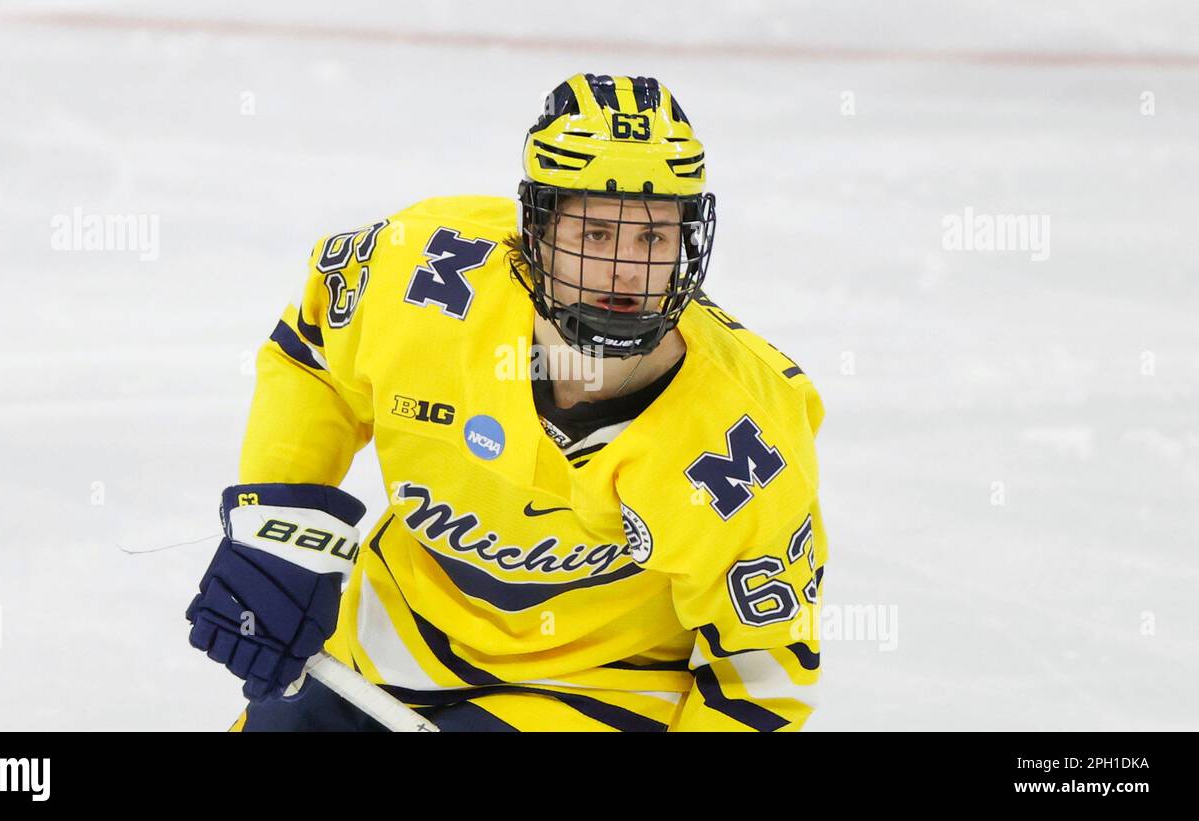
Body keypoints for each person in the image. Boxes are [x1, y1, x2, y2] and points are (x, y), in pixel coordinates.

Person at [186, 73, 828, 731]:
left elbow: (759, 678)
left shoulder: (745, 440)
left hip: (597, 694)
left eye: (652, 238)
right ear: (537, 233)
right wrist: (281, 524)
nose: (625, 272)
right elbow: (316, 355)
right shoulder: (427, 279)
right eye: (596, 235)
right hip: (386, 650)